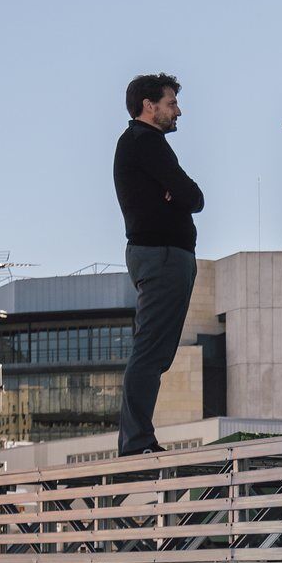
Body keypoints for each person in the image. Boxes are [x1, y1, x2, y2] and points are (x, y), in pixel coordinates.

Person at [114, 73, 204, 455]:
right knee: (151, 351)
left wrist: (179, 194)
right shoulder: (146, 142)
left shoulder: (142, 143)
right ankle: (136, 443)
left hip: (162, 255)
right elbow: (193, 195)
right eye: (170, 103)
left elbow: (188, 196)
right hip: (162, 256)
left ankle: (138, 440)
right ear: (149, 106)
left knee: (155, 352)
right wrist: (178, 192)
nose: (177, 110)